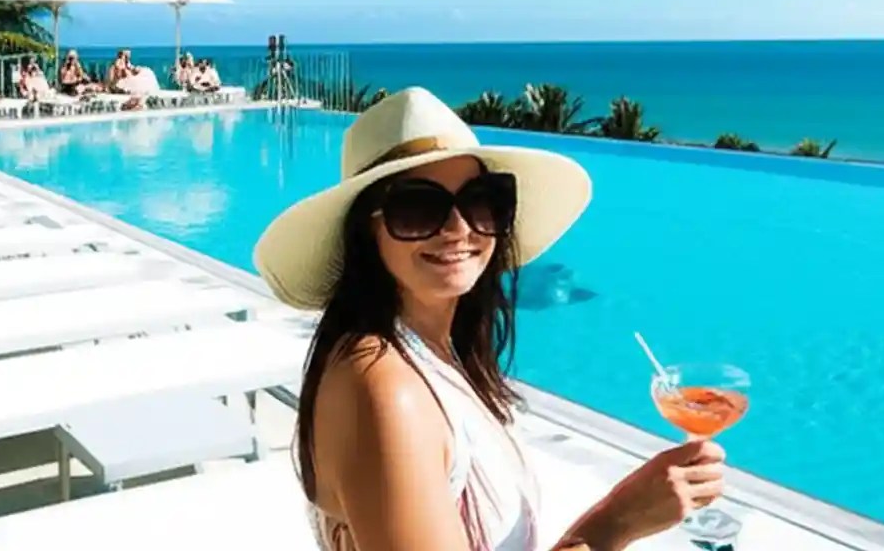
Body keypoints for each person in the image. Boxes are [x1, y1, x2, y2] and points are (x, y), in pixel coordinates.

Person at [253, 87, 728, 551]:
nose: (459, 228)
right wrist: (616, 522)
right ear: (366, 231)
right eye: (418, 207)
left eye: (481, 200)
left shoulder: (427, 351)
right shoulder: (385, 388)